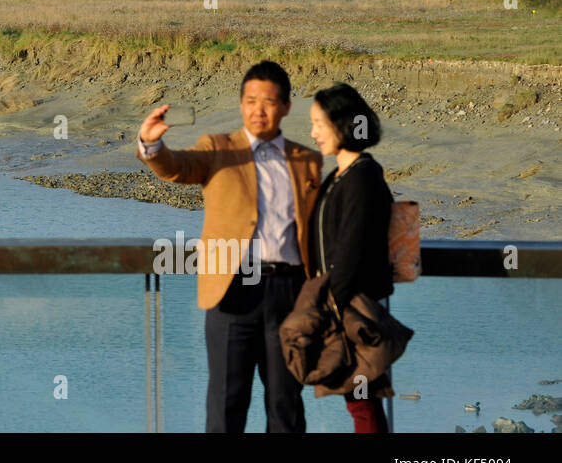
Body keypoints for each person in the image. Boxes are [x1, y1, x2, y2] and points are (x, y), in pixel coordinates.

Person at [138, 61, 322, 432]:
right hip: (233, 287)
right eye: (250, 100)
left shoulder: (308, 160)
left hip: (290, 292)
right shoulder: (217, 148)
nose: (259, 109)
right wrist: (152, 144)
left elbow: (319, 229)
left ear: (286, 107)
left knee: (286, 406)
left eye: (268, 101)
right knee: (226, 404)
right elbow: (177, 167)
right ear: (240, 104)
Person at [307, 82, 395, 433]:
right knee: (359, 401)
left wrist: (328, 307)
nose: (312, 133)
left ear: (342, 124)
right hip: (344, 304)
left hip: (354, 308)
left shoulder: (362, 176)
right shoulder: (341, 176)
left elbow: (351, 250)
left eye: (318, 123)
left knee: (363, 402)